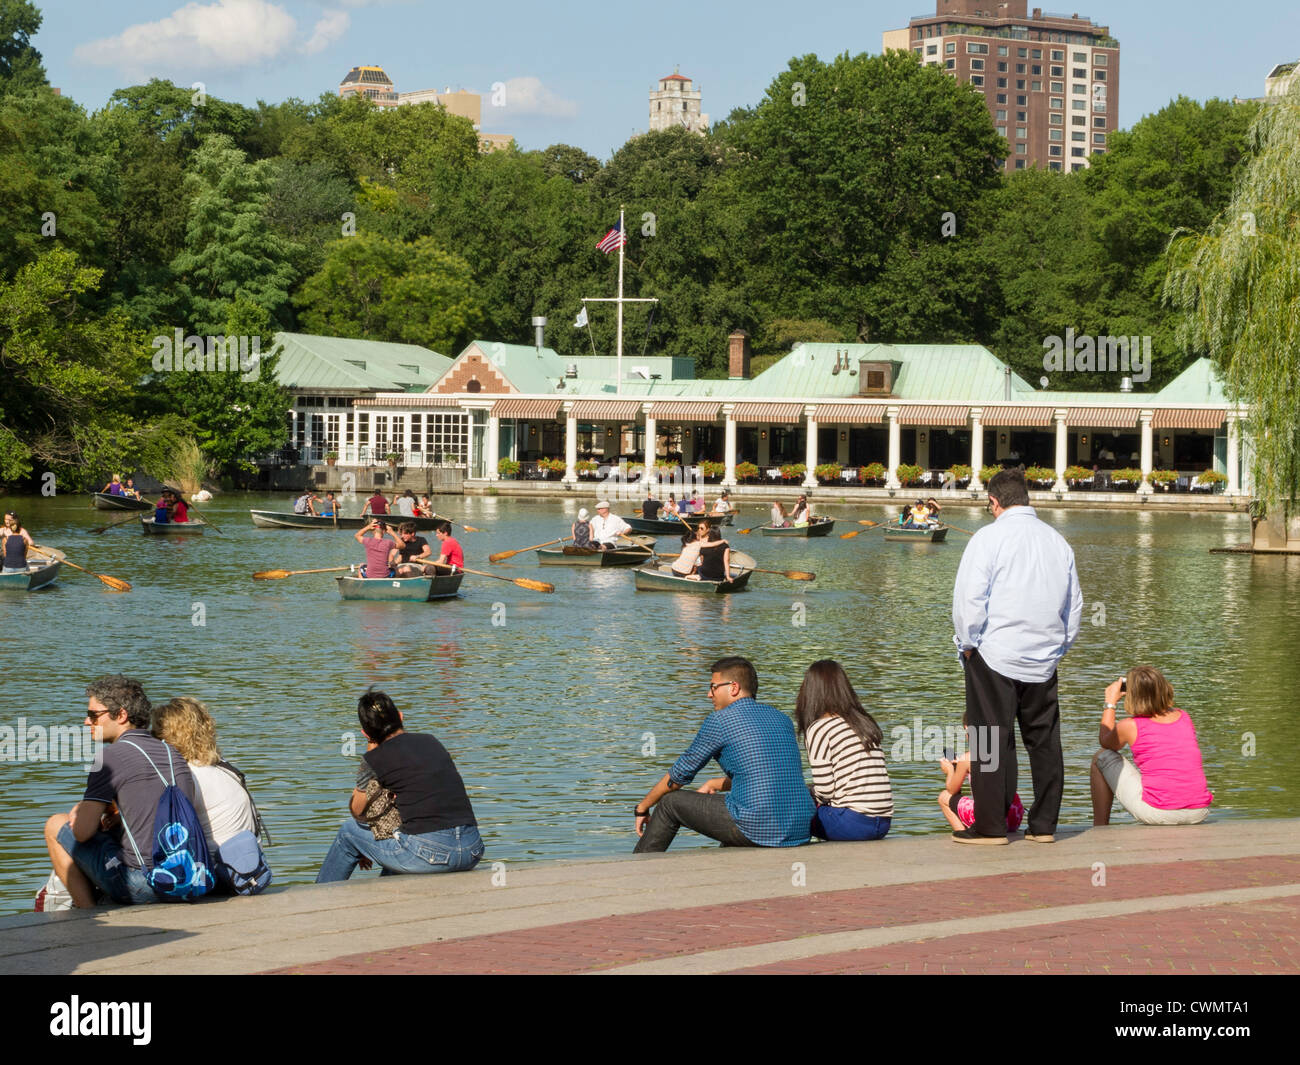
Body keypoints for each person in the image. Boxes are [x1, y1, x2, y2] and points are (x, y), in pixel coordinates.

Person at [951, 468, 1082, 844]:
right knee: (1044, 739)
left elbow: (969, 601)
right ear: (1025, 498)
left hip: (994, 652)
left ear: (994, 502)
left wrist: (968, 645)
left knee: (991, 737)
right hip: (1044, 656)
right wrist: (1059, 649)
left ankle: (991, 824)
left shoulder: (987, 538)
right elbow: (1073, 608)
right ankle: (1043, 825)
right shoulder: (1058, 542)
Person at [42, 675, 197, 908]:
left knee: (55, 825)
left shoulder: (108, 758)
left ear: (121, 715)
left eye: (94, 715)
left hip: (140, 884)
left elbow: (82, 833)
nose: (87, 722)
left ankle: (87, 914)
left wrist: (82, 810)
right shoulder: (172, 752)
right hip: (186, 879)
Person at [634, 657, 814, 852]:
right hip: (800, 827)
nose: (708, 694)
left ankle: (639, 870)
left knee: (670, 802)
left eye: (713, 687)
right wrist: (715, 783)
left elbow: (678, 776)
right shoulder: (782, 719)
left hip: (760, 826)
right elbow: (766, 773)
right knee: (737, 806)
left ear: (733, 687)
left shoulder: (720, 721)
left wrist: (642, 807)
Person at [316, 689, 484, 882]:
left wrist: (361, 844)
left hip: (430, 854)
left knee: (348, 832)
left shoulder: (374, 759)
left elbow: (357, 811)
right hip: (473, 849)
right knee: (404, 836)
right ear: (401, 717)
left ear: (365, 733)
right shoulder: (432, 741)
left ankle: (319, 895)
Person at [1090, 667, 1213, 826]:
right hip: (1199, 811)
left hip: (1160, 813)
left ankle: (1100, 827)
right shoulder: (1184, 717)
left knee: (1101, 756)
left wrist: (1110, 703)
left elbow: (1105, 741)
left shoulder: (1130, 725)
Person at [795, 661, 893, 841]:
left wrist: (808, 795)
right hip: (883, 823)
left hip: (852, 823)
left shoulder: (819, 728)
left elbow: (825, 790)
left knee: (791, 812)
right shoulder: (864, 723)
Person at [150, 698, 258, 861]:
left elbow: (157, 827)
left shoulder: (186, 776)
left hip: (214, 873)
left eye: (154, 733)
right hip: (249, 868)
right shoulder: (224, 768)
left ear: (165, 738)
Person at [938, 714, 1025, 835]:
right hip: (1014, 816)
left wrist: (950, 770)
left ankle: (962, 833)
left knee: (943, 797)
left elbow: (952, 790)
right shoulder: (1003, 750)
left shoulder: (967, 758)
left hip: (989, 820)